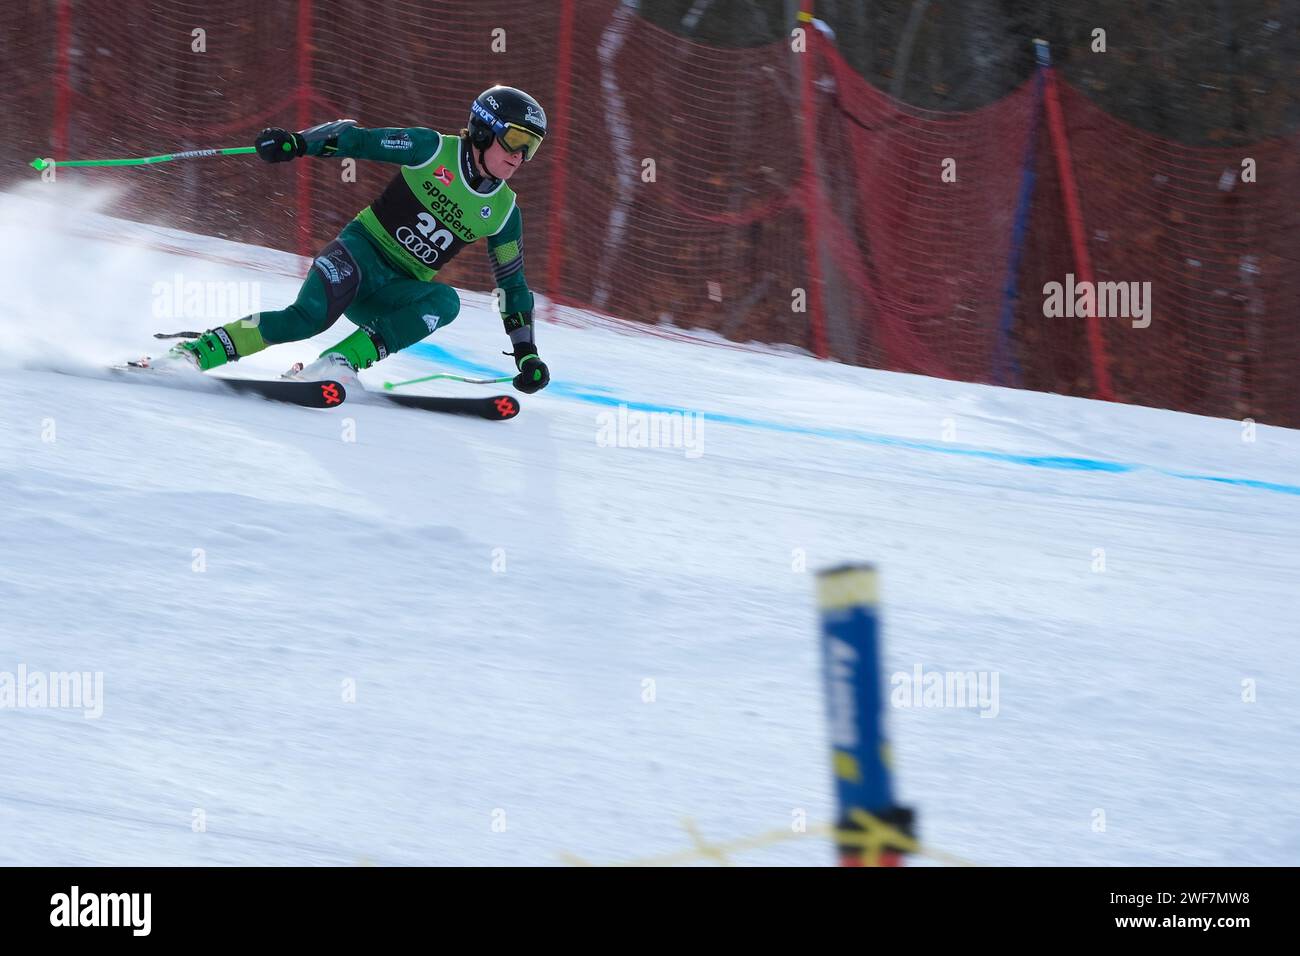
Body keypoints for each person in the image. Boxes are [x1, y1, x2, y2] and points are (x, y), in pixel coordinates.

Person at [160, 85, 550, 396]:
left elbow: (512, 287)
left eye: (531, 147)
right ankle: (193, 353)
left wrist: (526, 354)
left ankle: (338, 362)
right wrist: (297, 143)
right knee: (306, 319)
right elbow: (359, 141)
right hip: (358, 254)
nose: (520, 156)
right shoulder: (431, 149)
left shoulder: (503, 212)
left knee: (445, 301)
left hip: (394, 290)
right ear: (484, 129)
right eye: (515, 139)